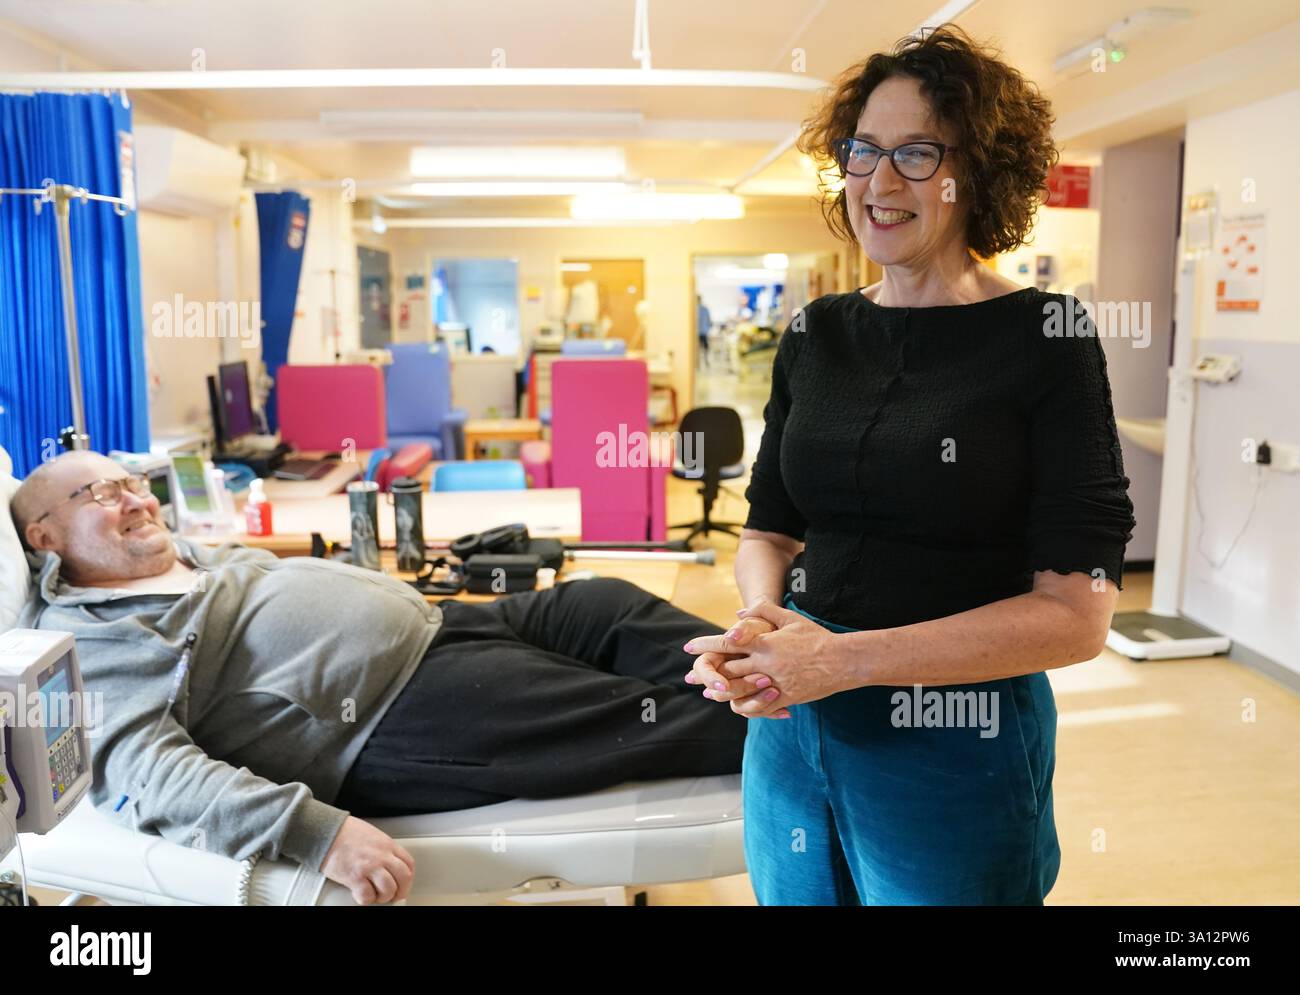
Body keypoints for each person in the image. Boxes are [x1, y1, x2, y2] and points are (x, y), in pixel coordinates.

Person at [683, 25, 1136, 905]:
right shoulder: (817, 333)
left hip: (951, 739)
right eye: (863, 150)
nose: (880, 183)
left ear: (981, 173)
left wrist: (848, 660)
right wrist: (761, 624)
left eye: (918, 153)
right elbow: (770, 526)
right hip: (790, 723)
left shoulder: (1047, 338)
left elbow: (1076, 616)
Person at [13, 450, 750, 905]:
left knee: (602, 602)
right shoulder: (88, 638)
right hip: (389, 714)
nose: (136, 499)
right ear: (42, 535)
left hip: (442, 626)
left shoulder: (191, 558)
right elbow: (146, 775)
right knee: (651, 715)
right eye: (100, 495)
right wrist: (316, 835)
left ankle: (753, 670)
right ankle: (816, 724)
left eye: (132, 483)